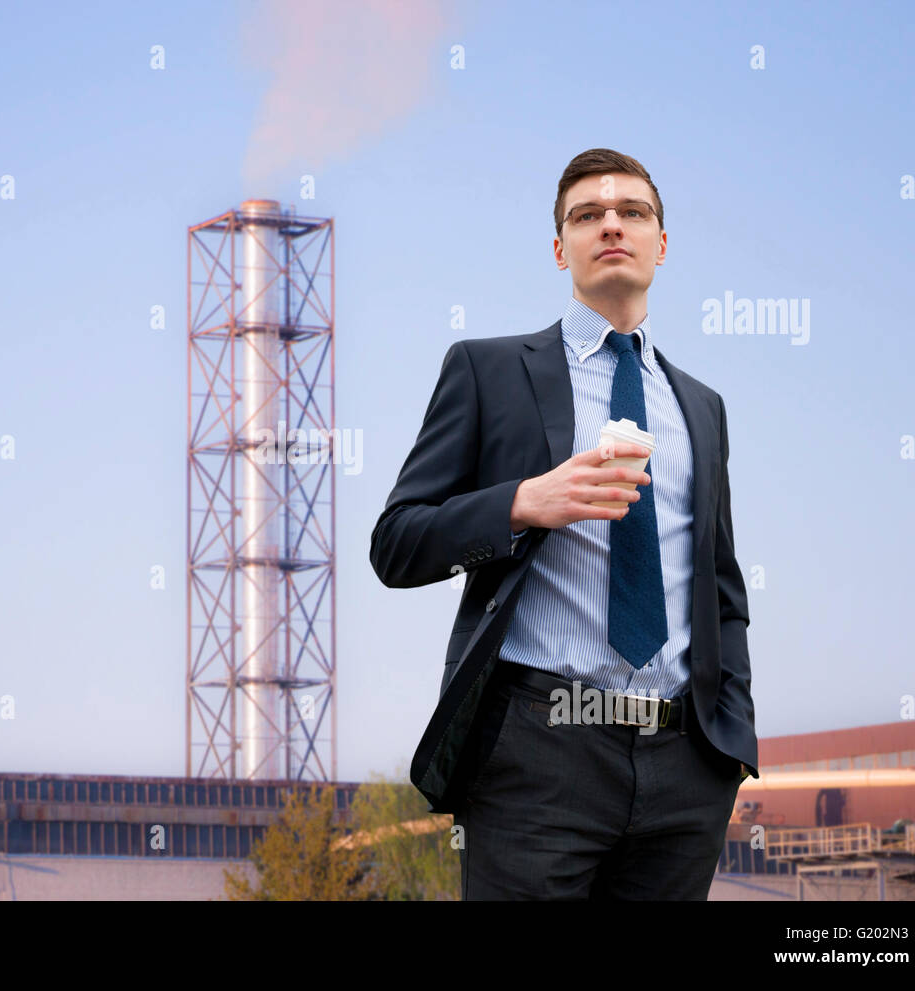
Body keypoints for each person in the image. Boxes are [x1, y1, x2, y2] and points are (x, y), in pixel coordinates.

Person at [369, 148, 758, 900]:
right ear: (561, 248)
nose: (611, 225)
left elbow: (722, 587)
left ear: (661, 243)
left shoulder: (702, 408)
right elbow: (397, 542)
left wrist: (730, 739)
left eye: (632, 212)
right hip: (537, 756)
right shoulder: (487, 371)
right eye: (587, 215)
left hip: (686, 769)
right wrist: (522, 502)